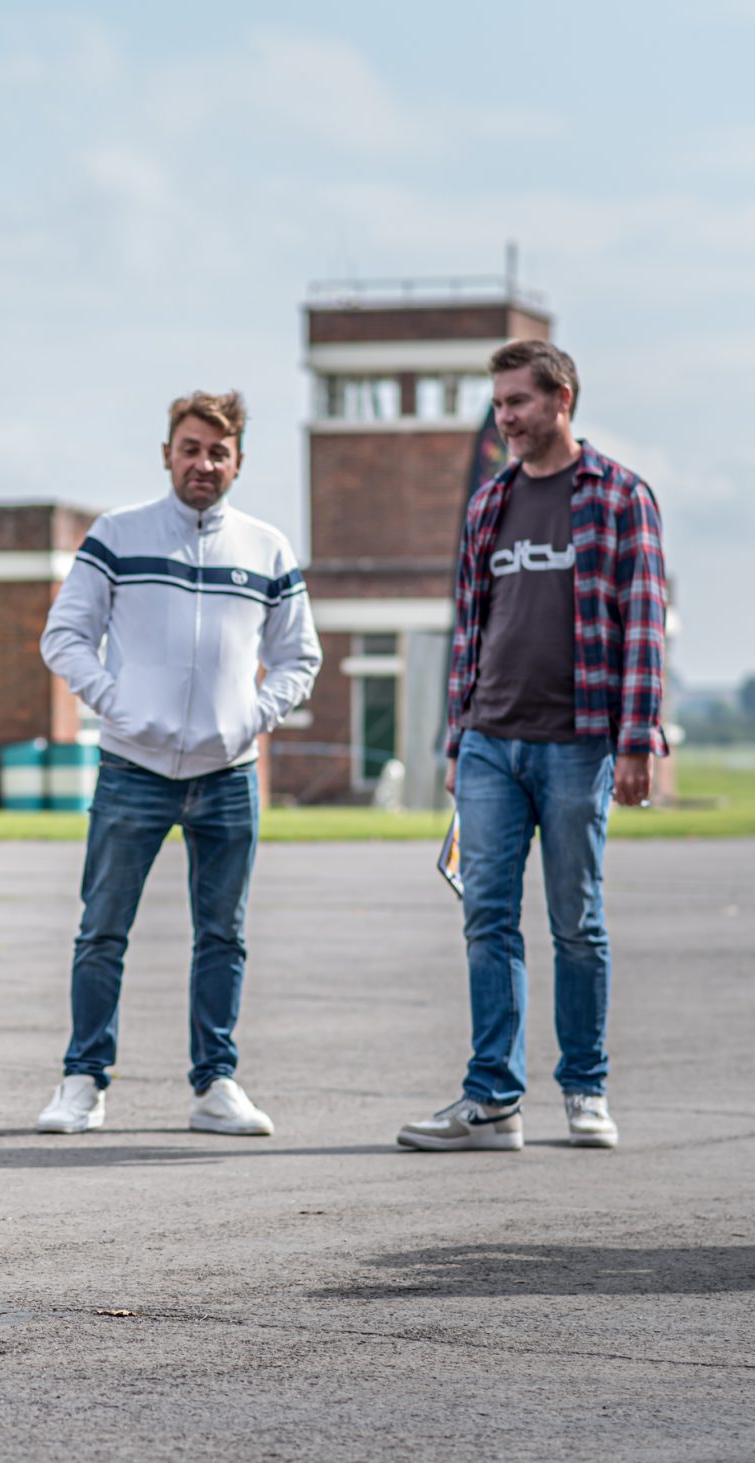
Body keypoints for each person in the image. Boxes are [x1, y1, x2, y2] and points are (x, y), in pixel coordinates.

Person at [398, 341, 666, 1153]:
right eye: (499, 404)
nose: (505, 418)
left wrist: (636, 738)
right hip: (489, 741)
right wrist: (457, 738)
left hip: (578, 743)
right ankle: (493, 1101)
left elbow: (642, 624)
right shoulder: (490, 502)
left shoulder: (619, 495)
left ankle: (586, 1089)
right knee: (486, 918)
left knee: (576, 921)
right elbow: (469, 630)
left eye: (518, 401)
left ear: (561, 399)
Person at [35, 391, 320, 1136]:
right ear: (167, 453)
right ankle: (83, 1080)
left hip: (229, 772)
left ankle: (216, 1084)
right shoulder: (117, 535)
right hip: (133, 766)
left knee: (223, 936)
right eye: (190, 449)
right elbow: (64, 636)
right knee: (103, 929)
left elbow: (300, 656)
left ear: (238, 462)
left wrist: (253, 716)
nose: (203, 463)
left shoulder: (267, 549)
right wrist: (114, 702)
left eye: (218, 452)